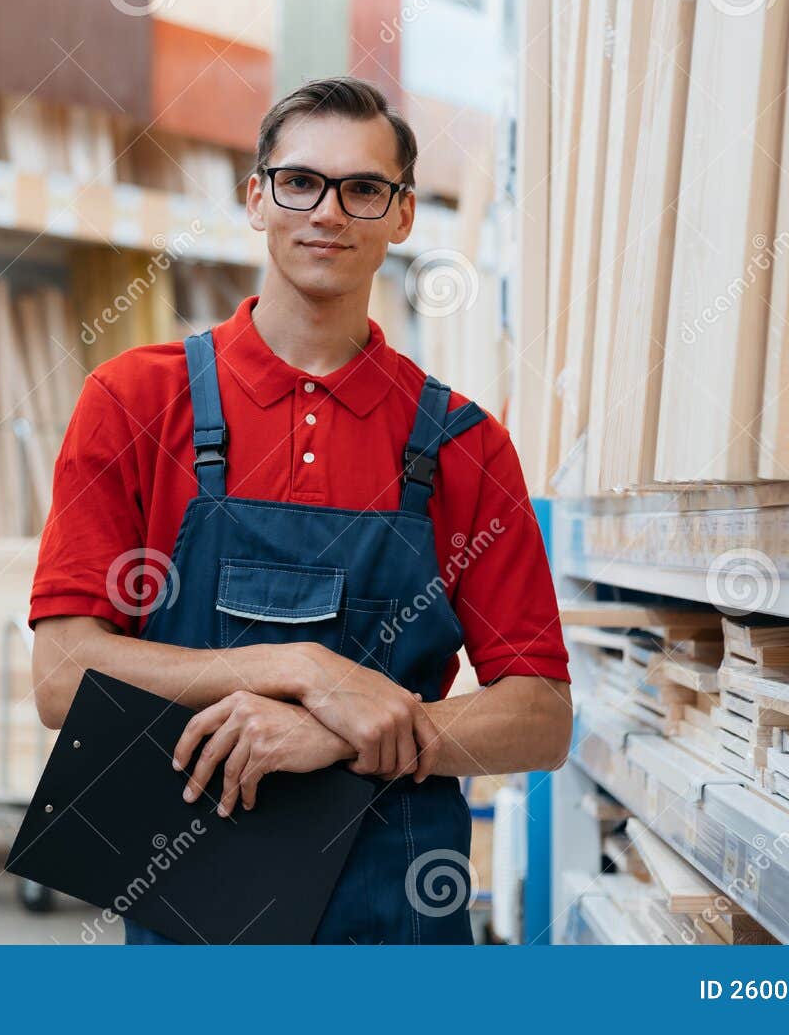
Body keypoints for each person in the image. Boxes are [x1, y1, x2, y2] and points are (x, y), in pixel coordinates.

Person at [29, 76, 572, 944]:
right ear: (257, 197)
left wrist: (349, 733)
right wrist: (309, 669)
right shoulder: (135, 401)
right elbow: (62, 677)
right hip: (190, 915)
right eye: (300, 182)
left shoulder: (466, 442)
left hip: (395, 922)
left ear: (401, 217)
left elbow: (541, 718)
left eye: (364, 189)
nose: (329, 212)